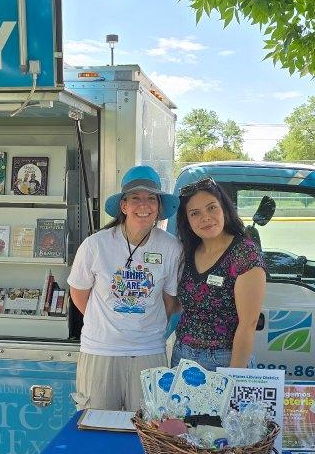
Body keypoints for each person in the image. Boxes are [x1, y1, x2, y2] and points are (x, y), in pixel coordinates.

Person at [68, 165, 182, 411]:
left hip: (149, 351)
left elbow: (170, 301)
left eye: (151, 198)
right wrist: (108, 322)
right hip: (100, 350)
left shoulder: (171, 248)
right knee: (96, 428)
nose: (144, 205)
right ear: (123, 206)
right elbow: (78, 294)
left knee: (147, 431)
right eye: (135, 198)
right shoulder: (95, 245)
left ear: (159, 207)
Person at [172, 177, 266, 370]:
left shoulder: (244, 254)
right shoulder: (187, 252)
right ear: (188, 222)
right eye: (195, 213)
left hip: (224, 359)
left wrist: (234, 376)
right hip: (182, 357)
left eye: (211, 207)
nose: (205, 217)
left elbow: (249, 323)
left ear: (224, 208)